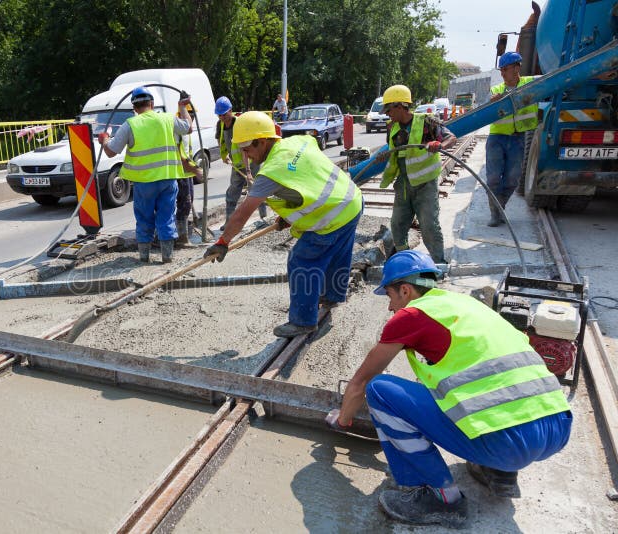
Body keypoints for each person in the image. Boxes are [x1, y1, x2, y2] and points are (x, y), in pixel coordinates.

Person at [325, 250, 572, 529]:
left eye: (390, 297)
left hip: (507, 443)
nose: (390, 307)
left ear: (405, 290)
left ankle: (440, 498)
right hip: (556, 426)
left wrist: (342, 420)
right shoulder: (465, 305)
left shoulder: (410, 316)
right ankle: (500, 473)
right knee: (474, 389)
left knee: (380, 391)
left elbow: (360, 383)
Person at [204, 111, 363, 338]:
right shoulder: (298, 142)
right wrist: (288, 216)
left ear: (262, 141)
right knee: (338, 253)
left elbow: (242, 214)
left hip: (333, 216)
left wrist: (223, 241)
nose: (246, 155)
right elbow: (307, 178)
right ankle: (333, 296)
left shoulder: (270, 172)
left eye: (247, 149)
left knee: (302, 261)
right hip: (353, 202)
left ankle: (303, 321)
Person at [99, 86, 192, 263]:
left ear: (134, 108)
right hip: (167, 179)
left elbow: (111, 152)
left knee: (144, 218)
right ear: (152, 104)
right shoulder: (167, 118)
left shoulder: (130, 124)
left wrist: (104, 141)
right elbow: (188, 128)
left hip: (144, 183)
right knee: (166, 216)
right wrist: (182, 107)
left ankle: (144, 257)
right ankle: (167, 256)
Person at [375, 84, 456, 264]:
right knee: (397, 225)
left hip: (425, 184)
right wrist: (385, 155)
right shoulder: (392, 127)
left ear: (399, 106)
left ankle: (439, 263)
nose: (387, 114)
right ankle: (405, 260)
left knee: (428, 226)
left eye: (388, 110)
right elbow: (394, 150)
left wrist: (439, 145)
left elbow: (451, 138)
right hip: (404, 184)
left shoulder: (426, 122)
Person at [486, 51, 538, 227]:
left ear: (516, 68)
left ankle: (499, 206)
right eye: (501, 70)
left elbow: (554, 80)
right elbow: (484, 107)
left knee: (512, 179)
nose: (502, 73)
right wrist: (491, 102)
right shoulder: (496, 90)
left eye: (505, 69)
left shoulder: (531, 84)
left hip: (517, 138)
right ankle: (495, 213)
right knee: (493, 179)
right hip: (497, 138)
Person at [214, 96, 267, 229]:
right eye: (220, 115)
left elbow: (245, 149)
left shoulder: (240, 124)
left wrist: (248, 172)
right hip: (237, 164)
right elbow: (220, 139)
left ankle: (264, 218)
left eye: (224, 114)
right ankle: (229, 222)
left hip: (251, 161)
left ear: (230, 110)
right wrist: (224, 155)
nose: (222, 117)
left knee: (256, 189)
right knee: (232, 193)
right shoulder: (220, 124)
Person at [175, 103, 203, 247]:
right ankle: (182, 238)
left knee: (187, 202)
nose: (192, 118)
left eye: (193, 115)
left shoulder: (186, 131)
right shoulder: (178, 130)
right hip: (180, 172)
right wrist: (196, 170)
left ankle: (183, 234)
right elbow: (180, 155)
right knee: (184, 204)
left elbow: (187, 153)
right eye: (190, 115)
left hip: (187, 172)